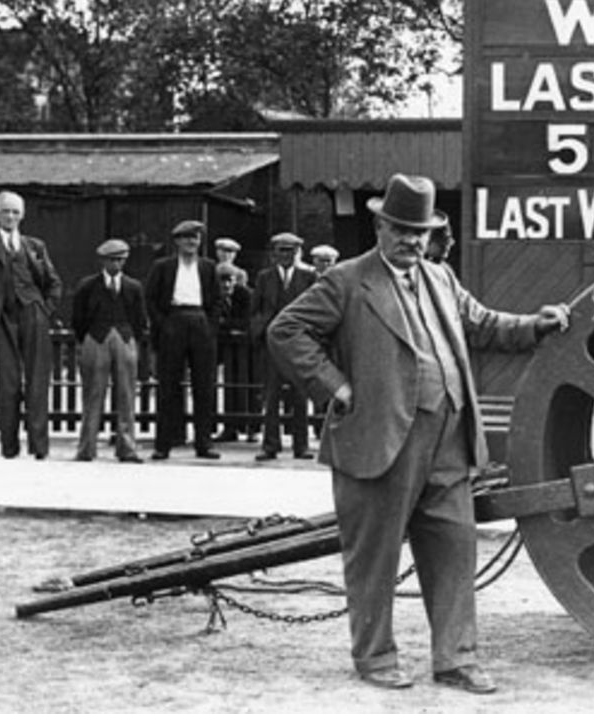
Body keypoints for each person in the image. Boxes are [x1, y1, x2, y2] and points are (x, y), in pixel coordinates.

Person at [268, 173, 570, 694]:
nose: (412, 240)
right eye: (402, 229)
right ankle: (375, 656)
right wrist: (335, 387)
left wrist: (536, 325)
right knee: (375, 558)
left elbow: (484, 325)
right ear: (380, 226)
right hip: (379, 441)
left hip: (448, 441)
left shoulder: (441, 279)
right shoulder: (346, 281)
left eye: (421, 230)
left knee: (454, 550)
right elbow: (285, 330)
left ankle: (456, 658)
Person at [0, 190, 63, 459]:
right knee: (7, 384)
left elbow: (54, 282)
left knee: (37, 382)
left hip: (33, 316)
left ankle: (39, 448)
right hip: (0, 320)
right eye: (5, 211)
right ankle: (9, 448)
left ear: (22, 215)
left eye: (15, 212)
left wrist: (44, 310)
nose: (10, 216)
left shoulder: (35, 246)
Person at [144, 220, 221, 460]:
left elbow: (217, 301)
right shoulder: (163, 266)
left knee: (204, 386)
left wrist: (209, 326)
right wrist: (163, 324)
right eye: (186, 238)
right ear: (176, 241)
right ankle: (164, 443)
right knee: (168, 386)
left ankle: (204, 443)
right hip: (173, 320)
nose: (191, 242)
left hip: (200, 321)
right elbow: (151, 299)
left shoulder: (209, 267)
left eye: (195, 238)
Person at [70, 239, 148, 463]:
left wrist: (131, 338)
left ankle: (127, 448)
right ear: (102, 261)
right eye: (112, 260)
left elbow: (140, 319)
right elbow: (78, 318)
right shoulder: (87, 285)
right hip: (95, 338)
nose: (116, 264)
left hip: (124, 338)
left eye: (121, 260)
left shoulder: (134, 287)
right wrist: (86, 338)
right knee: (93, 394)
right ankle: (86, 448)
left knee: (126, 394)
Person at [251, 232, 317, 460]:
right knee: (271, 397)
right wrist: (259, 330)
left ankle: (301, 445)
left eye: (291, 251)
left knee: (300, 396)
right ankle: (270, 445)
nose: (286, 255)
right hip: (271, 345)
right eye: (282, 250)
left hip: (298, 345)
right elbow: (256, 308)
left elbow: (315, 308)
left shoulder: (308, 278)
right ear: (273, 254)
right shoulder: (264, 277)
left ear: (298, 253)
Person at [214, 261, 254, 443]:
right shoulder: (212, 295)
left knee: (249, 386)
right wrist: (227, 327)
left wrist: (226, 324)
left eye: (230, 280)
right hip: (222, 346)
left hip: (247, 348)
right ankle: (229, 427)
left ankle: (251, 427)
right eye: (222, 281)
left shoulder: (245, 295)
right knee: (226, 385)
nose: (226, 285)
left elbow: (247, 320)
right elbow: (212, 321)